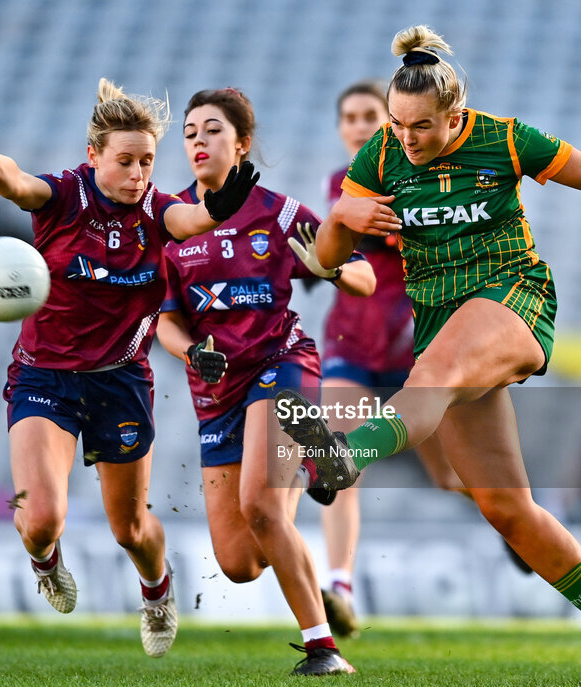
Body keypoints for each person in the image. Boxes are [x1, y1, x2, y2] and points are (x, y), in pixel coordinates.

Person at [276, 26, 581, 684]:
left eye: (420, 126)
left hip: (513, 299)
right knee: (505, 506)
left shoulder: (504, 138)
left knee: (434, 374)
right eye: (397, 124)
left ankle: (342, 453)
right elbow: (329, 261)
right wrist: (342, 221)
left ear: (456, 115)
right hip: (442, 318)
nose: (405, 138)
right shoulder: (382, 157)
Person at [0, 79, 258, 658]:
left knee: (130, 530)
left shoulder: (158, 210)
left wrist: (214, 212)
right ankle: (44, 562)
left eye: (148, 162)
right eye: (125, 161)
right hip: (43, 375)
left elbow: (187, 222)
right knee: (41, 520)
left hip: (120, 380)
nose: (138, 174)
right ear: (93, 156)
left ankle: (156, 591)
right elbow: (18, 184)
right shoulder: (64, 198)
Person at [155, 87, 374, 676]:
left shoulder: (277, 213)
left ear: (242, 143)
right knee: (240, 562)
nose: (198, 141)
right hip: (216, 392)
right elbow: (165, 324)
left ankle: (322, 648)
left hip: (280, 365)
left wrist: (330, 267)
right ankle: (316, 459)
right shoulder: (173, 220)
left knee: (260, 502)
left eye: (212, 131)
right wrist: (191, 351)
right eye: (190, 132)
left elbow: (362, 277)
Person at [316, 80, 476, 639]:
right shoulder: (344, 184)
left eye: (369, 116)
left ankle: (514, 519)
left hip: (414, 345)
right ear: (341, 128)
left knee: (452, 479)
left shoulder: (421, 176)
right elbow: (334, 250)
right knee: (340, 458)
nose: (359, 125)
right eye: (349, 117)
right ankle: (339, 583)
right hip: (353, 342)